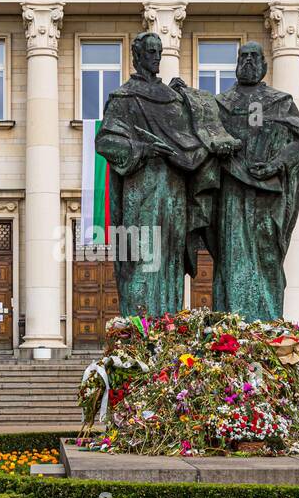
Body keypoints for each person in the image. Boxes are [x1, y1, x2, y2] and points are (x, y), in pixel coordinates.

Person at [94, 31, 239, 317]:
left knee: (171, 258)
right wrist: (142, 148)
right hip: (142, 189)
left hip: (174, 188)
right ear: (136, 57)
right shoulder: (124, 98)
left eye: (159, 52)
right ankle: (140, 328)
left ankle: (167, 326)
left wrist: (188, 100)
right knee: (141, 258)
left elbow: (194, 136)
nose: (156, 57)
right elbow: (106, 141)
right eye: (150, 52)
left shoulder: (173, 99)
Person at [206, 41, 299, 320]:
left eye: (254, 57)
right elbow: (205, 140)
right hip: (232, 192)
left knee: (268, 257)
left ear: (265, 65)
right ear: (235, 65)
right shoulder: (221, 104)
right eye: (243, 57)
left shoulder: (280, 102)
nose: (247, 62)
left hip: (269, 194)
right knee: (231, 257)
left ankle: (267, 323)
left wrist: (275, 164)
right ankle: (231, 325)